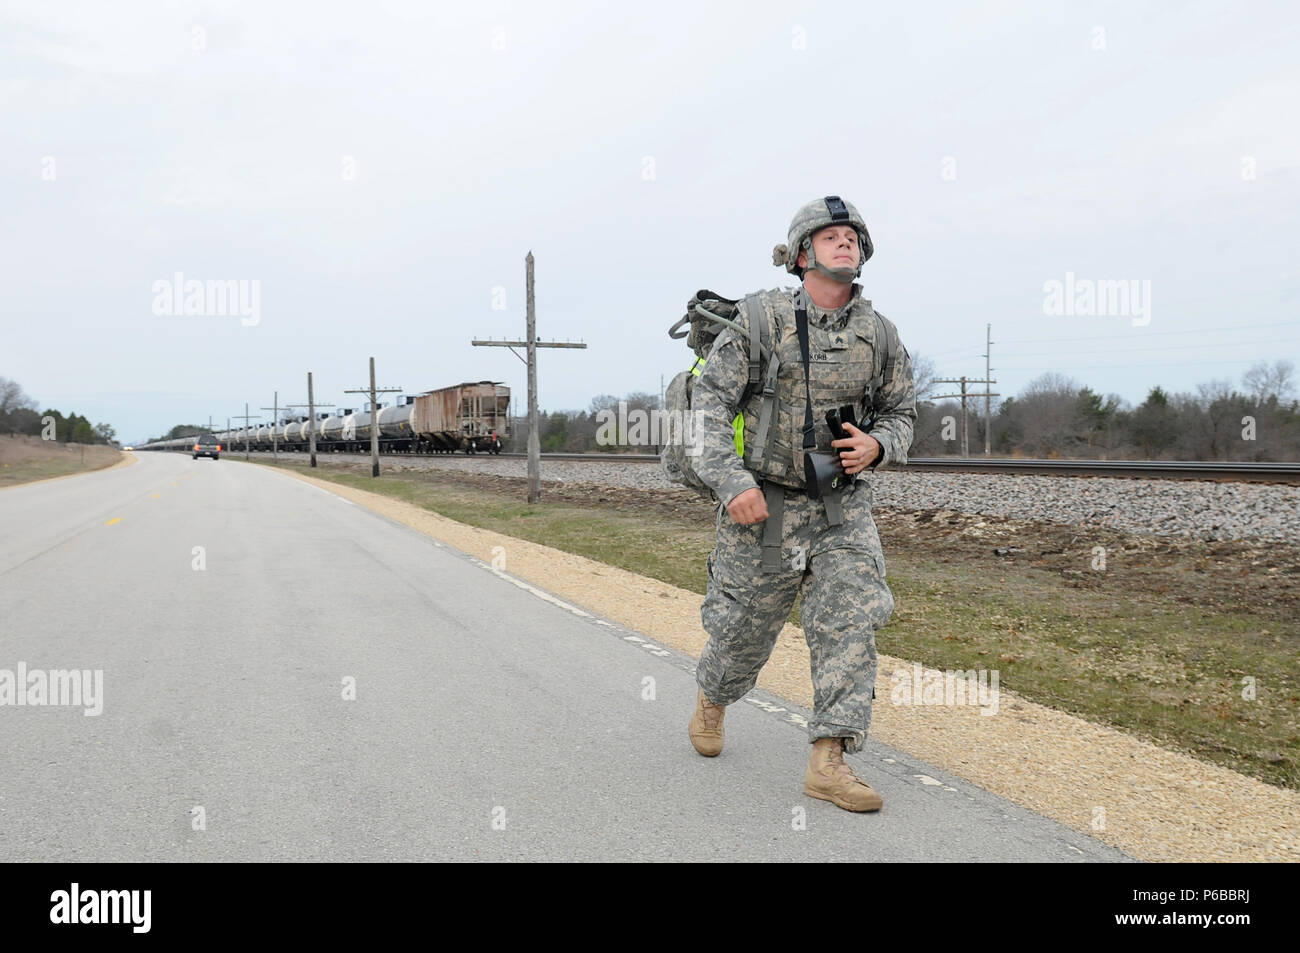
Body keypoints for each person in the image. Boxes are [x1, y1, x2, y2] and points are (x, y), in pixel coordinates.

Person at [686, 196, 916, 812]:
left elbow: (903, 413)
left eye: (853, 237)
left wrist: (880, 444)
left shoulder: (880, 334)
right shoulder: (759, 320)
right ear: (801, 252)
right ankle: (714, 695)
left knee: (851, 620)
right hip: (763, 507)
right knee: (741, 633)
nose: (846, 243)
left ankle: (829, 761)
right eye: (832, 235)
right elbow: (707, 410)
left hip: (841, 509)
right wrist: (732, 483)